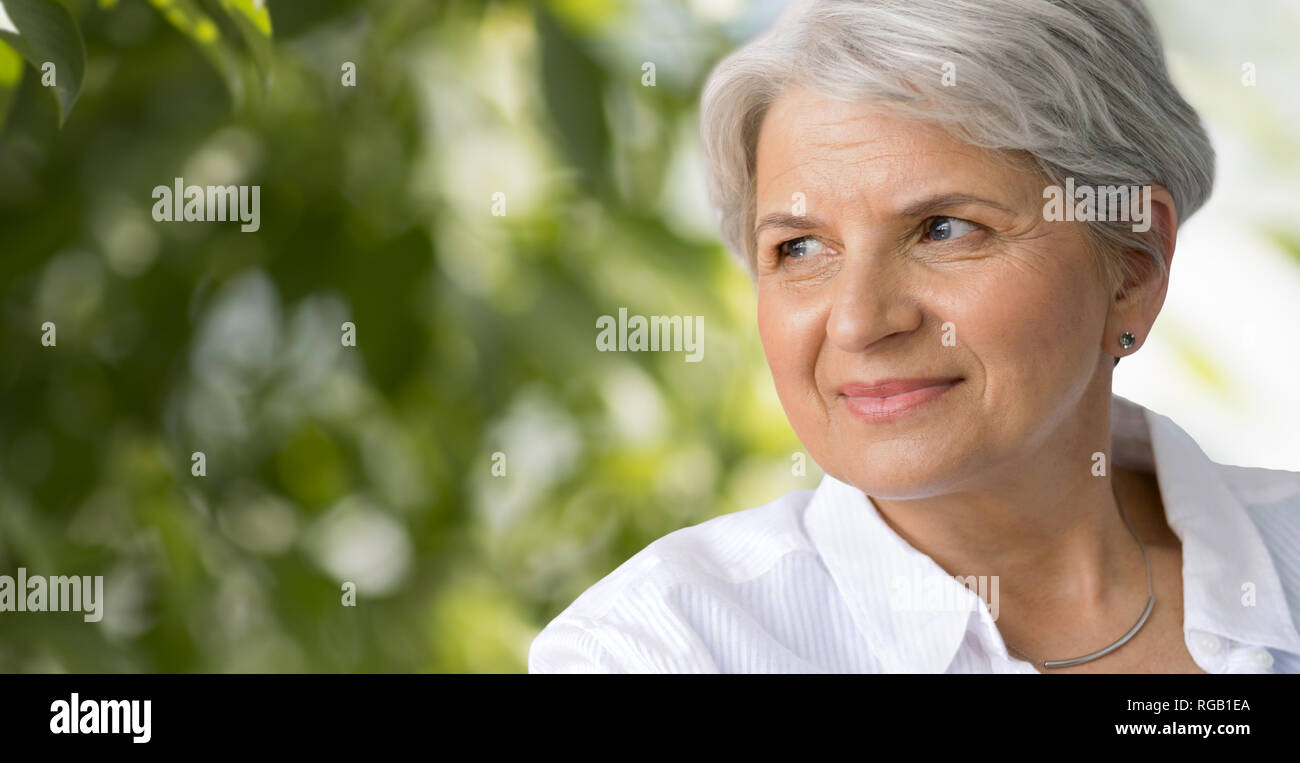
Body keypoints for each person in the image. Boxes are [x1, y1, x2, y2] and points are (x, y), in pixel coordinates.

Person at [528, 0, 1300, 673]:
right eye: (799, 247)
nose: (861, 321)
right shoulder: (657, 648)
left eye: (945, 229)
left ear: (1133, 264)